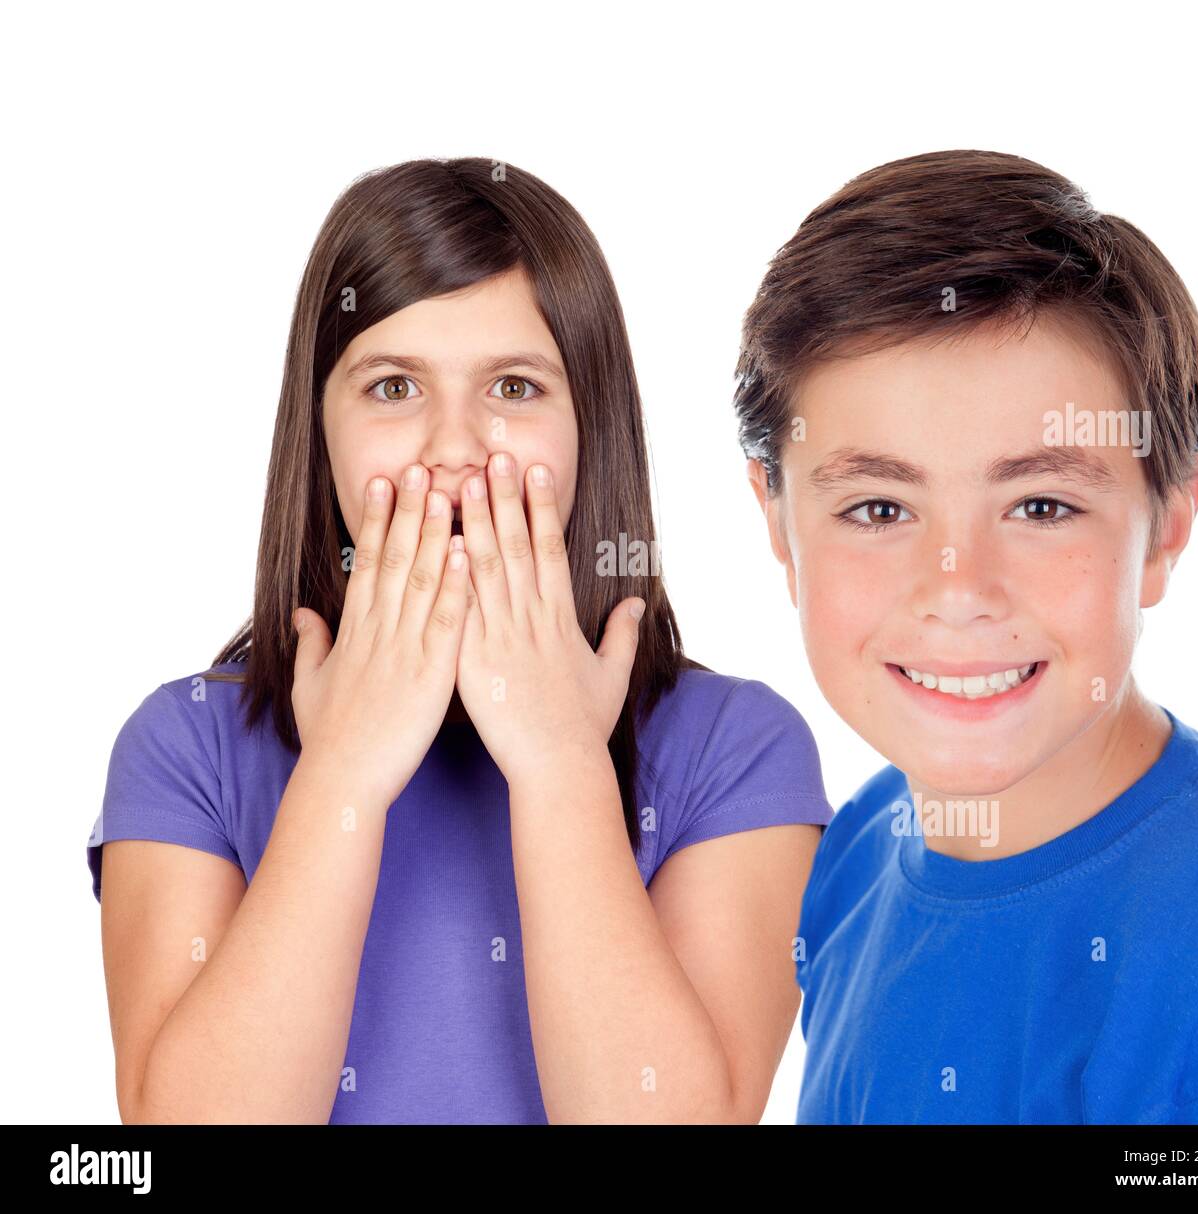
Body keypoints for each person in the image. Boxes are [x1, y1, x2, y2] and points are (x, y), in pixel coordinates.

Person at [87, 157, 832, 1124]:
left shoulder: (738, 746)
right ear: (319, 435)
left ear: (588, 427)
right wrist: (344, 771)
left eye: (515, 387)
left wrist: (562, 764)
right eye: (392, 387)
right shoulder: (186, 742)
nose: (452, 447)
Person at [734, 149, 1198, 1124]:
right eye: (877, 508)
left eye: (1040, 504)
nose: (958, 591)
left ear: (1166, 524)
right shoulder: (864, 843)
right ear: (778, 524)